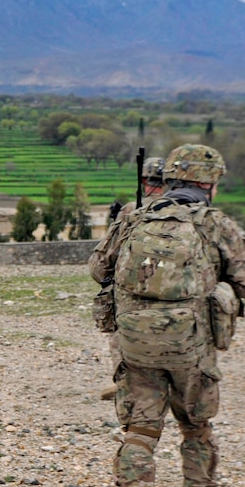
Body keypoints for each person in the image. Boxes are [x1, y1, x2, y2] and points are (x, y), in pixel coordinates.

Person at [89, 144, 245, 487]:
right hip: (192, 346)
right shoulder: (214, 223)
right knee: (196, 428)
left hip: (136, 346)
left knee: (141, 432)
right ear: (208, 182)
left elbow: (97, 267)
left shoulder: (135, 217)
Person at [99, 157, 166, 401]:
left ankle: (125, 381)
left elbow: (102, 263)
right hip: (179, 293)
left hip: (135, 292)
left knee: (118, 328)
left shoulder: (131, 210)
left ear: (143, 181)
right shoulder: (186, 211)